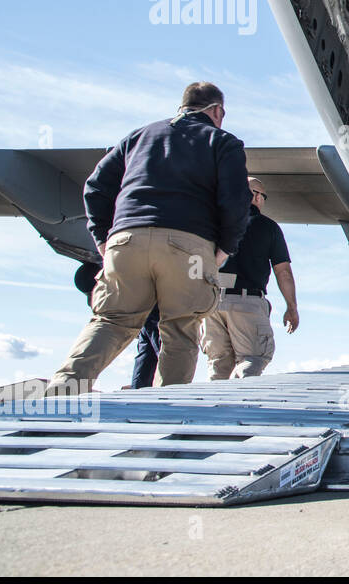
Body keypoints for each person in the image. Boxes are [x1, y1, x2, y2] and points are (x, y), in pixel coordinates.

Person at [46, 82, 250, 394]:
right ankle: (167, 403)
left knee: (111, 320)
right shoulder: (222, 141)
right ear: (217, 111)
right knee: (181, 327)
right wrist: (224, 249)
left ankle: (64, 388)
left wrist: (104, 239)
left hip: (126, 238)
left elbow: (95, 187)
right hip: (189, 244)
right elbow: (235, 200)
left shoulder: (137, 137)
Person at [199, 177, 298, 378]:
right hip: (246, 303)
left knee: (218, 364)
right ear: (255, 196)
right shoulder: (268, 227)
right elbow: (283, 271)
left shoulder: (212, 225)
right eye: (263, 196)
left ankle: (215, 406)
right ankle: (240, 404)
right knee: (252, 359)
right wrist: (292, 307)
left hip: (211, 302)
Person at [74, 262, 161, 389]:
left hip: (144, 308)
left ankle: (142, 387)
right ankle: (165, 384)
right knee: (159, 347)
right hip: (149, 306)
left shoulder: (103, 300)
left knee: (148, 351)